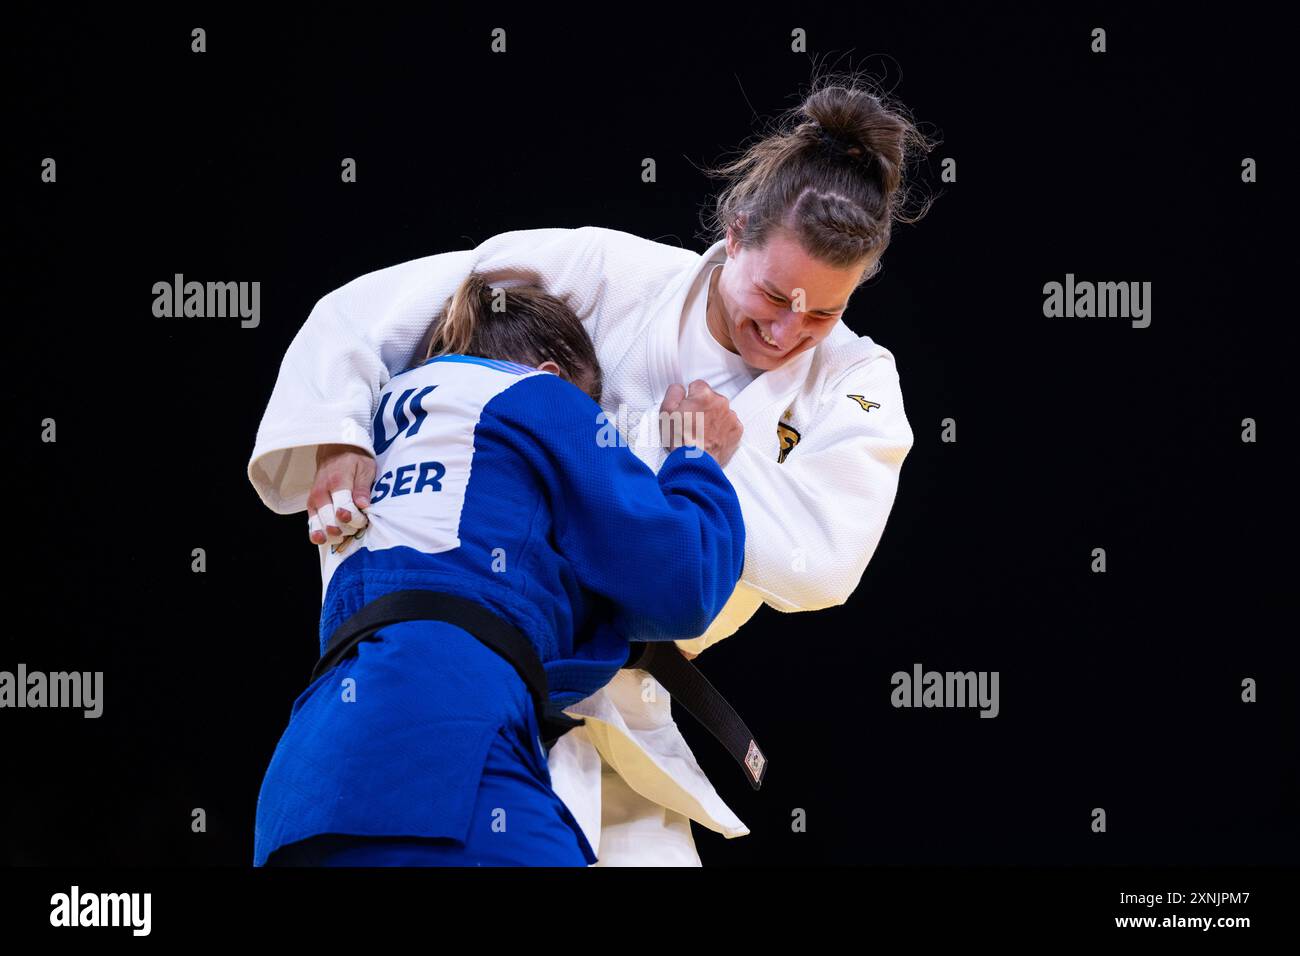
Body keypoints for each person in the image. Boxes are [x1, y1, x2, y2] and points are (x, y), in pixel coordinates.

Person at [246, 74, 935, 865]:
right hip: (474, 654)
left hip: (622, 692)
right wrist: (340, 435)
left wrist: (648, 453)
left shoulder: (857, 381)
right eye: (775, 297)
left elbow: (826, 560)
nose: (787, 331)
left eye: (822, 312)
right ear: (736, 231)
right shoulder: (607, 271)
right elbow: (362, 314)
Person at [252, 274, 745, 866]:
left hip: (300, 786)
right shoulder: (536, 395)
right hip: (448, 750)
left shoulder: (360, 431)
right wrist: (696, 456)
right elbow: (682, 584)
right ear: (554, 376)